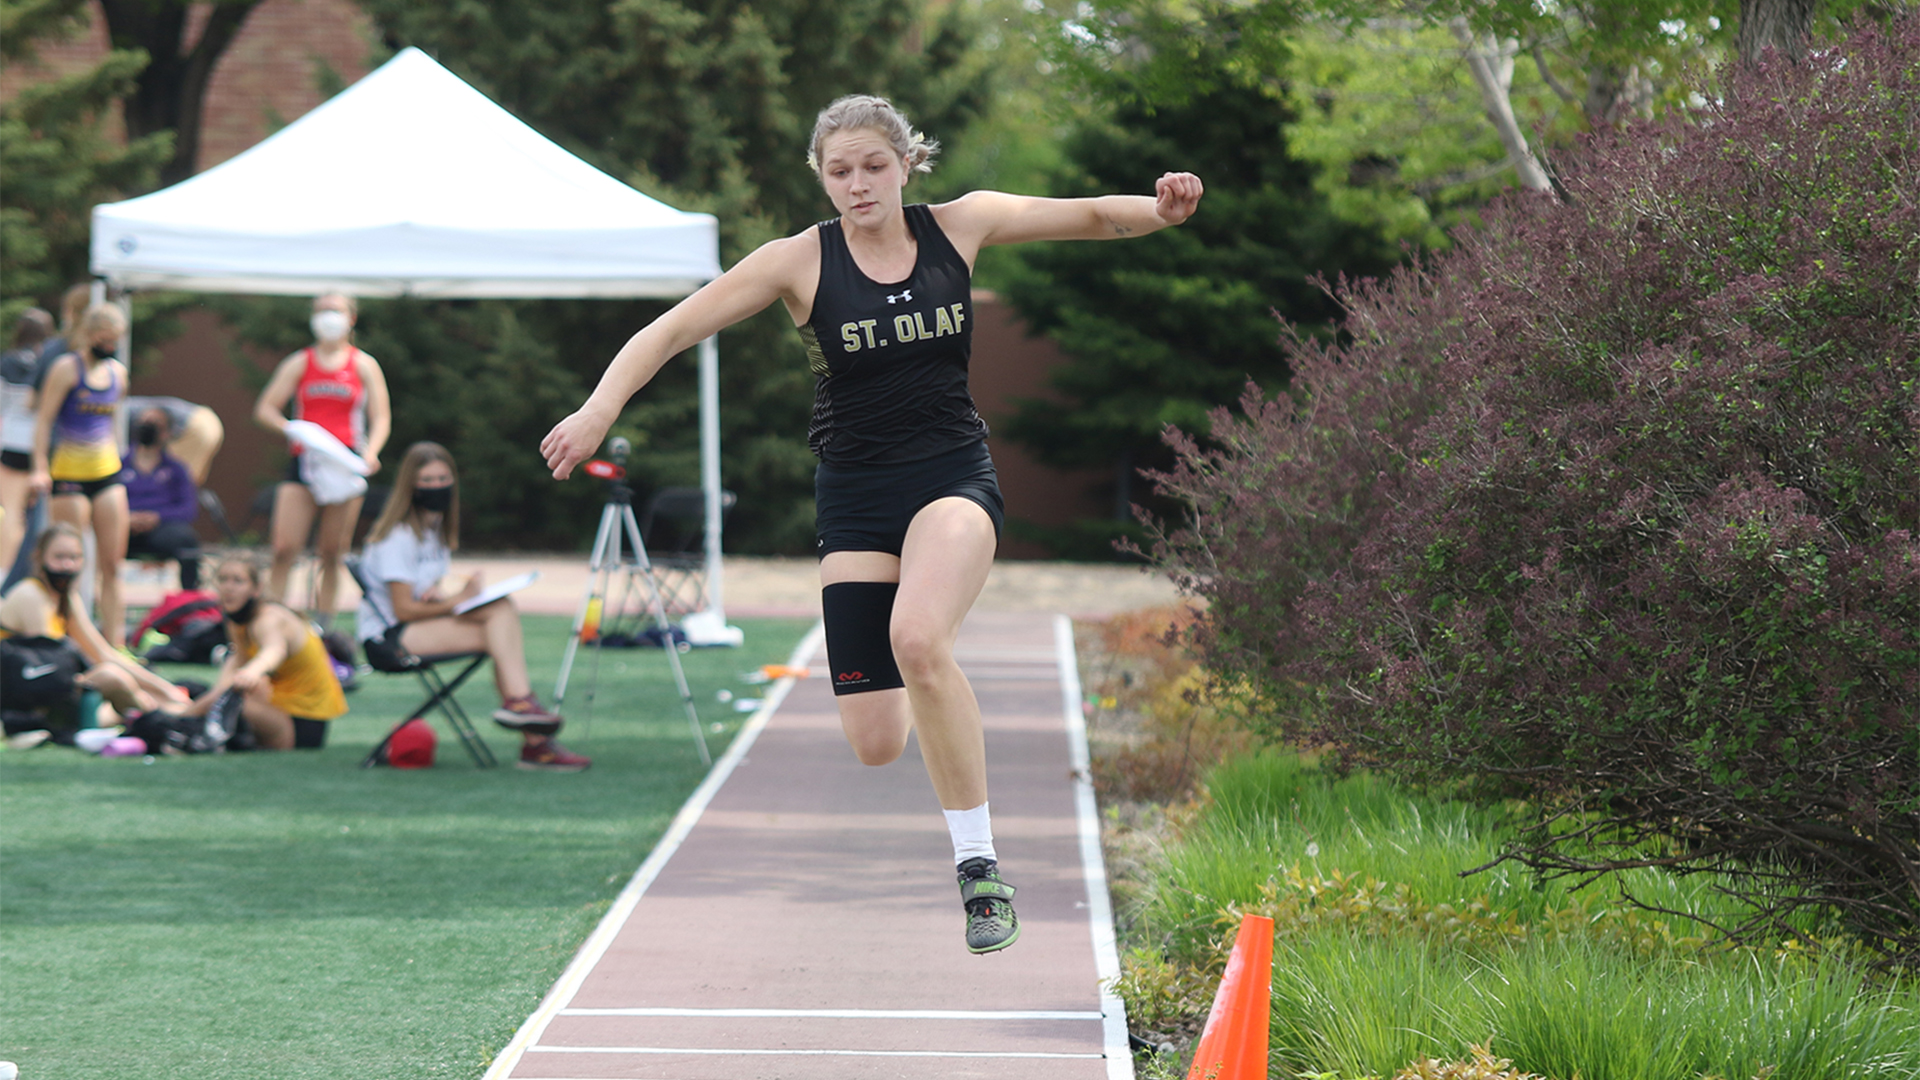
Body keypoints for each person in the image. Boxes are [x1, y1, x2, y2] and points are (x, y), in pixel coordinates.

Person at [542, 94, 1204, 953]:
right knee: (877, 743)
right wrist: (598, 410)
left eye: (873, 167)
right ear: (822, 178)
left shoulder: (961, 226)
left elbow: (1088, 216)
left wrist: (1160, 211)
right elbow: (669, 330)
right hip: (853, 497)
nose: (858, 186)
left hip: (951, 478)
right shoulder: (795, 263)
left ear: (906, 164)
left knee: (920, 640)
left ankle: (980, 873)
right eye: (839, 172)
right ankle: (937, 719)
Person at [357, 442, 589, 771]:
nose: (437, 487)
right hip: (387, 639)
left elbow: (426, 588)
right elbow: (403, 610)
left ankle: (527, 721)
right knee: (499, 626)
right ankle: (532, 731)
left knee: (500, 610)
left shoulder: (433, 530)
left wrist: (448, 591)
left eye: (443, 479)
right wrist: (457, 600)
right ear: (410, 486)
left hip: (415, 627)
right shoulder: (399, 536)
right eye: (427, 481)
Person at [254, 293, 391, 629]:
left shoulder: (362, 365)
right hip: (305, 461)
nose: (328, 317)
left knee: (332, 551)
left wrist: (371, 452)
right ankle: (272, 619)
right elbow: (266, 408)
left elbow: (381, 416)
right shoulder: (300, 362)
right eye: (321, 311)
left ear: (351, 318)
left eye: (335, 310)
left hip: (345, 463)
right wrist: (292, 429)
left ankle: (324, 625)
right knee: (284, 546)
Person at [0, 523, 189, 725]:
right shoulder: (31, 595)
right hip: (22, 694)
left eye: (74, 557)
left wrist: (166, 689)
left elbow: (101, 652)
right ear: (39, 557)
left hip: (52, 687)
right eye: (59, 557)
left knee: (130, 685)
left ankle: (164, 712)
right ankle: (167, 717)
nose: (67, 565)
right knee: (112, 678)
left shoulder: (66, 598)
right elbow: (47, 672)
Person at [31, 302, 134, 649]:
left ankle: (116, 644)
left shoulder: (117, 374)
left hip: (106, 472)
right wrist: (39, 468)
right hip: (69, 475)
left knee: (112, 564)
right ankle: (68, 638)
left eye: (115, 339)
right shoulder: (66, 368)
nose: (110, 345)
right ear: (89, 336)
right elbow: (44, 420)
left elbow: (111, 419)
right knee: (68, 565)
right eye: (104, 339)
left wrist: (120, 457)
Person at [181, 556, 346, 750]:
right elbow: (239, 659)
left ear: (256, 589)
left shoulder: (269, 618)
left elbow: (274, 650)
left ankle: (179, 721)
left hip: (304, 720)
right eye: (223, 579)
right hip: (280, 704)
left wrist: (252, 672)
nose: (228, 587)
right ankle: (183, 719)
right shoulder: (236, 620)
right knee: (220, 695)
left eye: (238, 581)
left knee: (232, 700)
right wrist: (221, 690)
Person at [121, 404, 203, 590]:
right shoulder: (117, 466)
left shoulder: (177, 470)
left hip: (161, 531)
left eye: (154, 424)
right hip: (124, 529)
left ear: (166, 433)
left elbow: (188, 509)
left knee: (187, 540)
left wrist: (157, 517)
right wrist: (128, 517)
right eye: (143, 423)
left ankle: (189, 598)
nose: (147, 427)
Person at [1, 308, 55, 580]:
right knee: (41, 514)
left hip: (13, 443)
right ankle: (32, 571)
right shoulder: (51, 360)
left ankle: (5, 571)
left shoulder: (7, 362)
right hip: (44, 445)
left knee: (10, 511)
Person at [123, 395, 224, 487]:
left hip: (195, 427)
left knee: (174, 483)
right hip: (208, 419)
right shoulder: (125, 406)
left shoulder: (116, 416)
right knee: (188, 481)